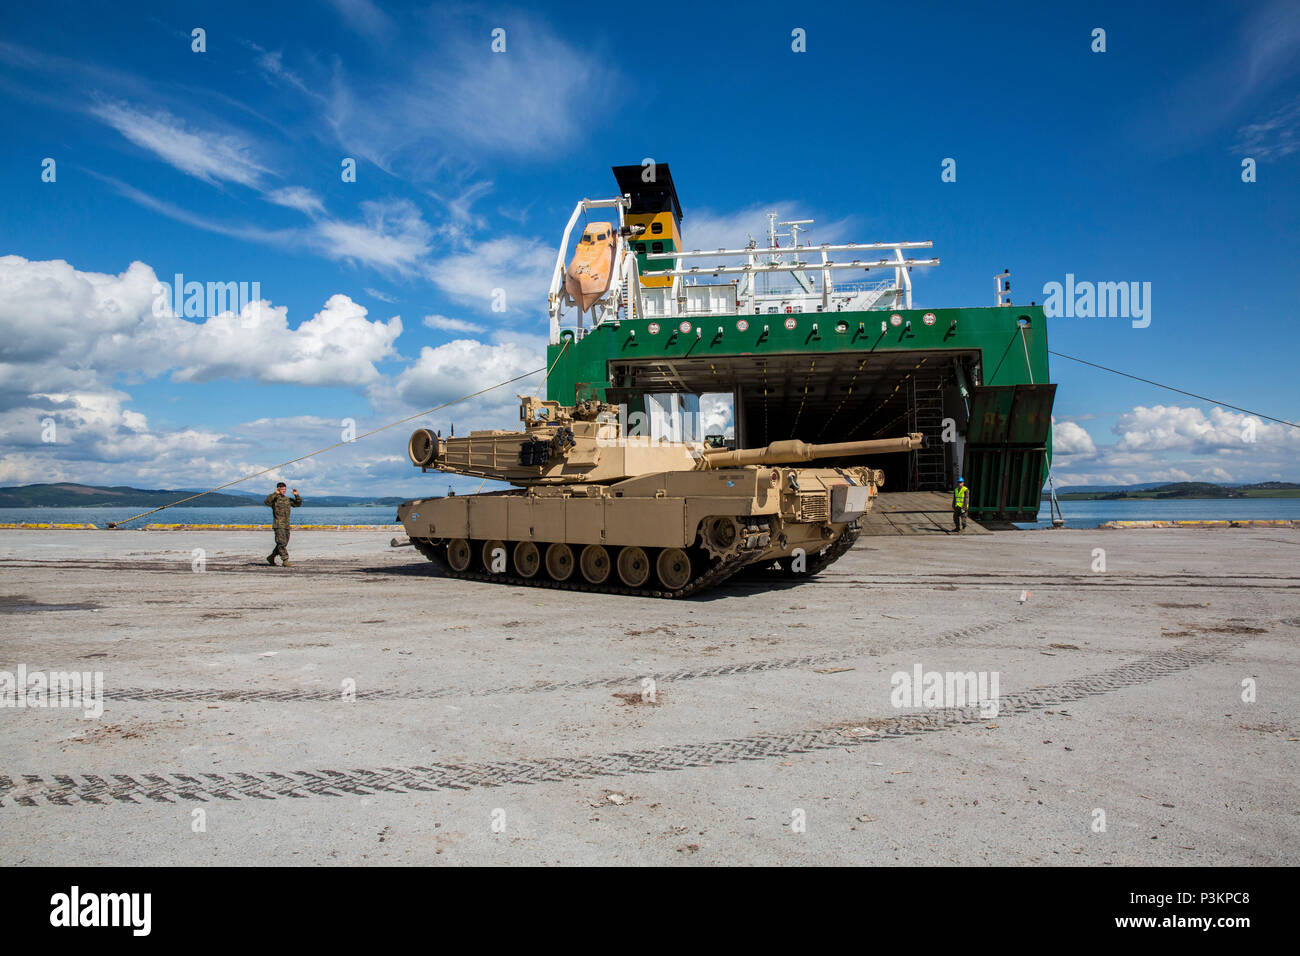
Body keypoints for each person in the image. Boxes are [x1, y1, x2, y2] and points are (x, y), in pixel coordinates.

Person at [264, 482, 302, 566]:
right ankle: (285, 560)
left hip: (286, 525)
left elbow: (297, 504)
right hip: (278, 524)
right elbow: (267, 502)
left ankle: (271, 556)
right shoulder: (274, 498)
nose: (283, 491)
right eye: (282, 489)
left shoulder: (287, 499)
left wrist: (296, 495)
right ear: (278, 489)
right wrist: (275, 493)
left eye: (285, 489)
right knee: (281, 543)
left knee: (284, 543)